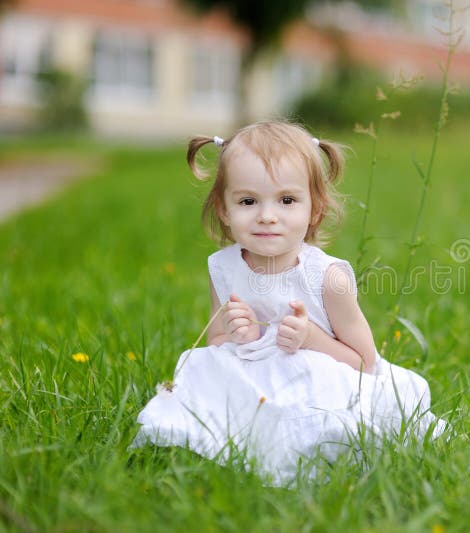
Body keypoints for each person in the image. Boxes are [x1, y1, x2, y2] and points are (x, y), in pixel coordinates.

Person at [131, 121, 444, 485]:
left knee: (320, 428)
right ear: (223, 209)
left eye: (287, 200)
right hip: (253, 376)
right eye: (248, 201)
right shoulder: (224, 268)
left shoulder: (327, 278)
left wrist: (312, 338)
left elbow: (364, 362)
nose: (267, 215)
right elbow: (216, 340)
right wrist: (238, 334)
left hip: (318, 383)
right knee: (205, 375)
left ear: (315, 209)